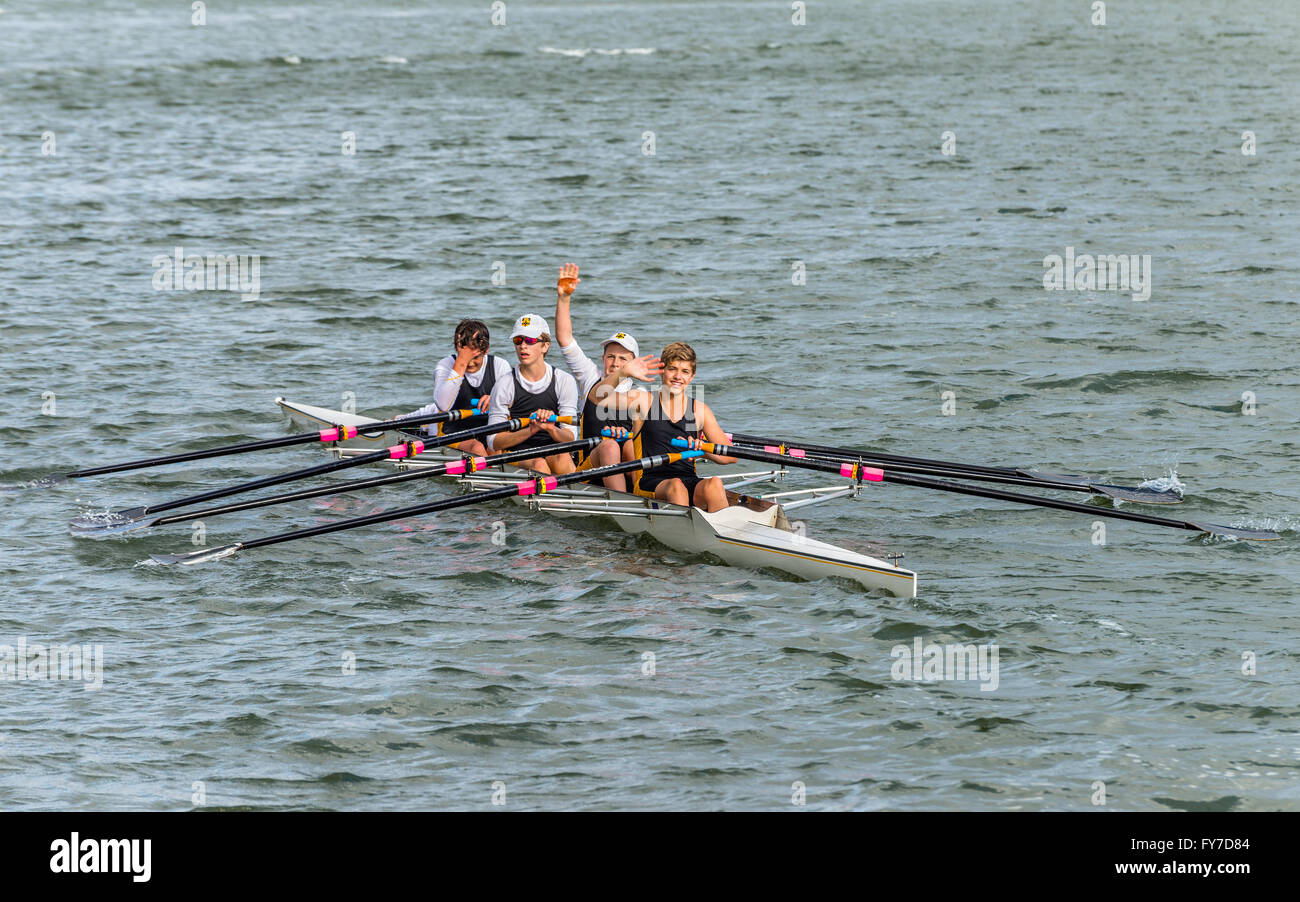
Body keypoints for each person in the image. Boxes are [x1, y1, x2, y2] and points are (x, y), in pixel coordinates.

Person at [553, 262, 662, 491]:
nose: (615, 363)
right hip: (588, 469)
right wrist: (564, 298)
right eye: (611, 356)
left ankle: (644, 492)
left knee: (632, 446)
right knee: (610, 446)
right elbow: (564, 339)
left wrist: (629, 434)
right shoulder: (589, 376)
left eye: (623, 359)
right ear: (603, 358)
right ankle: (625, 501)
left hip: (626, 463)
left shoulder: (640, 394)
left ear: (634, 364)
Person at [624, 342, 736, 512]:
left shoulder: (700, 410)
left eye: (685, 372)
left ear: (692, 377)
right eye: (672, 369)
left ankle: (726, 535)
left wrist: (703, 449)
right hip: (649, 480)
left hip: (687, 478)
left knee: (714, 484)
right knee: (676, 487)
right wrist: (622, 372)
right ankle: (687, 534)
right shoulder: (643, 401)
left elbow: (731, 456)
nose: (678, 376)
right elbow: (598, 399)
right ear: (662, 371)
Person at [485, 314, 580, 474]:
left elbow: (571, 438)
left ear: (545, 346)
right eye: (518, 340)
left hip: (553, 448)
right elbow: (493, 441)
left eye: (530, 340)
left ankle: (573, 496)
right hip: (517, 453)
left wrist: (551, 429)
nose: (523, 346)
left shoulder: (564, 381)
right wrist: (531, 429)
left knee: (564, 458)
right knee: (539, 465)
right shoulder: (505, 384)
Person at [403, 319, 510, 458]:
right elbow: (443, 404)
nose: (469, 363)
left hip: (489, 429)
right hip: (452, 430)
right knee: (476, 447)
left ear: (486, 350)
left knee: (496, 447)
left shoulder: (500, 366)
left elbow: (513, 403)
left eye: (475, 357)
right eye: (465, 356)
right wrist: (460, 362)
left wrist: (496, 398)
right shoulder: (446, 365)